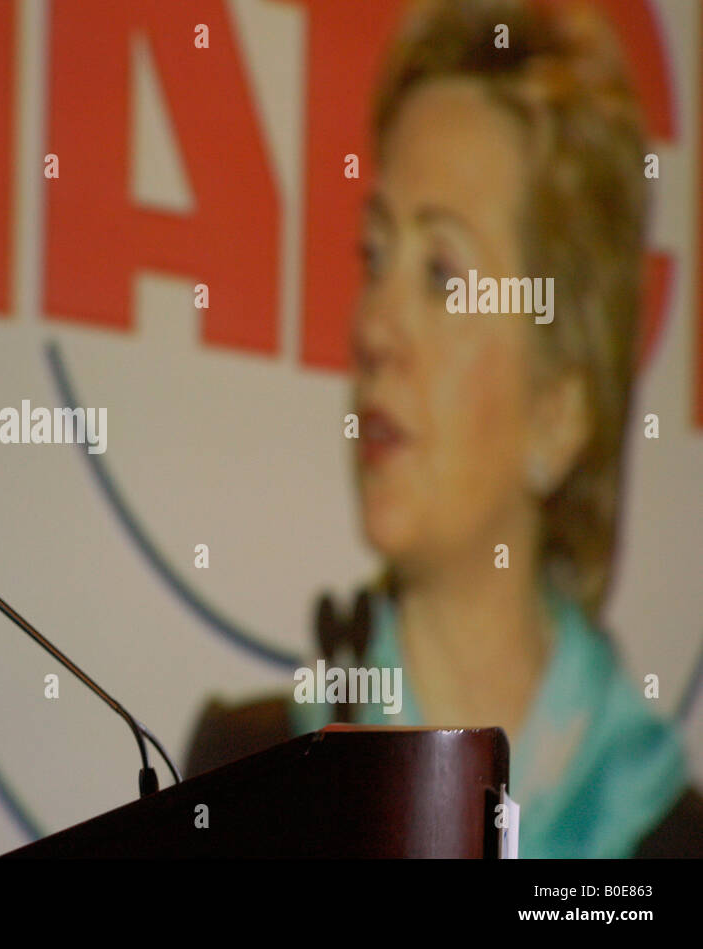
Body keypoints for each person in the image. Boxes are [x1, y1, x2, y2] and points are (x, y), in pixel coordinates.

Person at [186, 0, 702, 857]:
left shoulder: (668, 842)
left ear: (561, 409)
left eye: (442, 273)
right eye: (375, 256)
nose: (374, 328)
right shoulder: (242, 780)